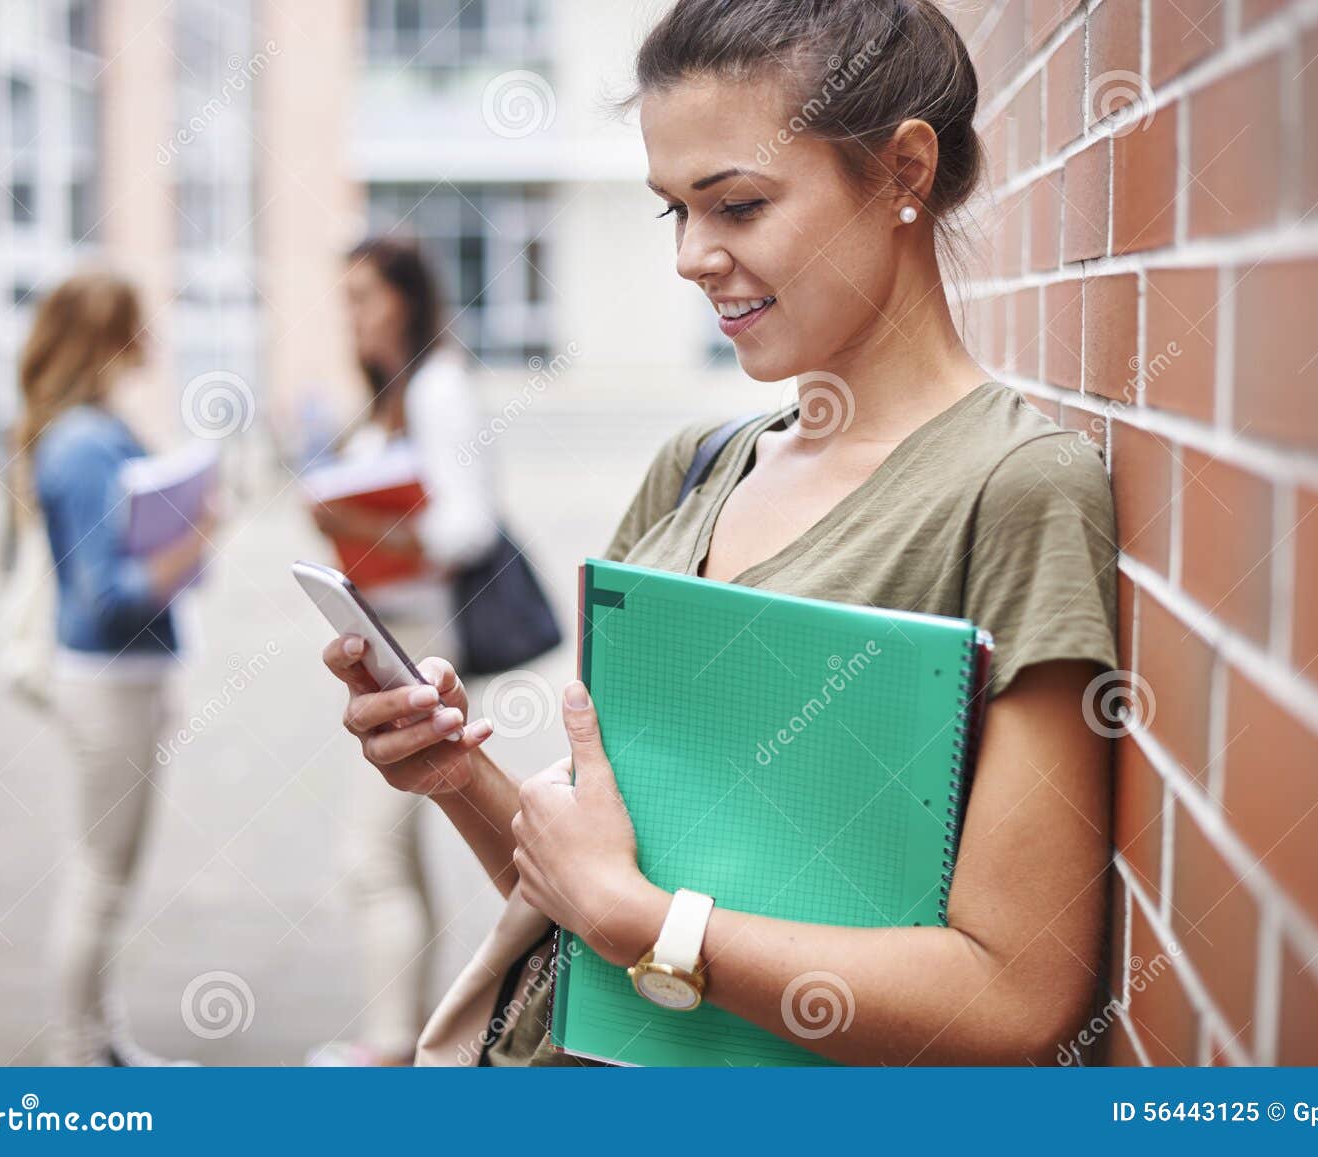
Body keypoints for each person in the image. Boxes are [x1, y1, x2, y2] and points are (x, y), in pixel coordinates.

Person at [322, 0, 1119, 1066]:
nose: (694, 257)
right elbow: (586, 894)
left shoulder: (1014, 491)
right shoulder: (695, 467)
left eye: (736, 204)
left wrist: (648, 923)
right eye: (672, 213)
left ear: (903, 174)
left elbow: (1015, 994)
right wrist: (456, 774)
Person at [303, 237, 501, 1066]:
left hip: (426, 642)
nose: (352, 316)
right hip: (385, 631)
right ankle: (419, 1039)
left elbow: (470, 524)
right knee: (402, 842)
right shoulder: (385, 394)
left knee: (369, 852)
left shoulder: (438, 386)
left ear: (408, 300)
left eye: (366, 297)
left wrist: (371, 525)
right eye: (344, 298)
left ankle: (388, 1049)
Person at [17, 272, 213, 1066]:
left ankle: (101, 1040)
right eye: (138, 328)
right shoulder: (86, 440)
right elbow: (110, 594)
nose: (150, 345)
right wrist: (195, 540)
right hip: (111, 680)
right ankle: (76, 1055)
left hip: (113, 679)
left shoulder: (76, 431)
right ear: (110, 338)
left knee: (109, 868)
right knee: (100, 873)